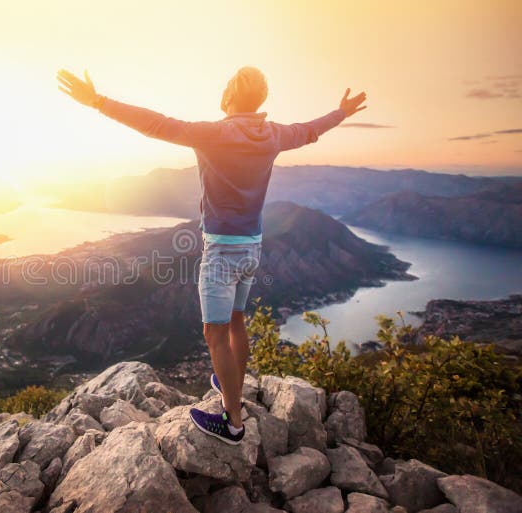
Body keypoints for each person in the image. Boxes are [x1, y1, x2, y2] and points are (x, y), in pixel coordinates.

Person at [57, 67, 366, 445]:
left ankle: (232, 423)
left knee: (214, 335)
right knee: (237, 322)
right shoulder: (273, 134)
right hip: (252, 246)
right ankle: (230, 381)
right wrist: (342, 113)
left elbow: (155, 124)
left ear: (230, 97)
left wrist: (98, 102)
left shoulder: (214, 133)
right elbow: (310, 129)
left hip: (221, 251)